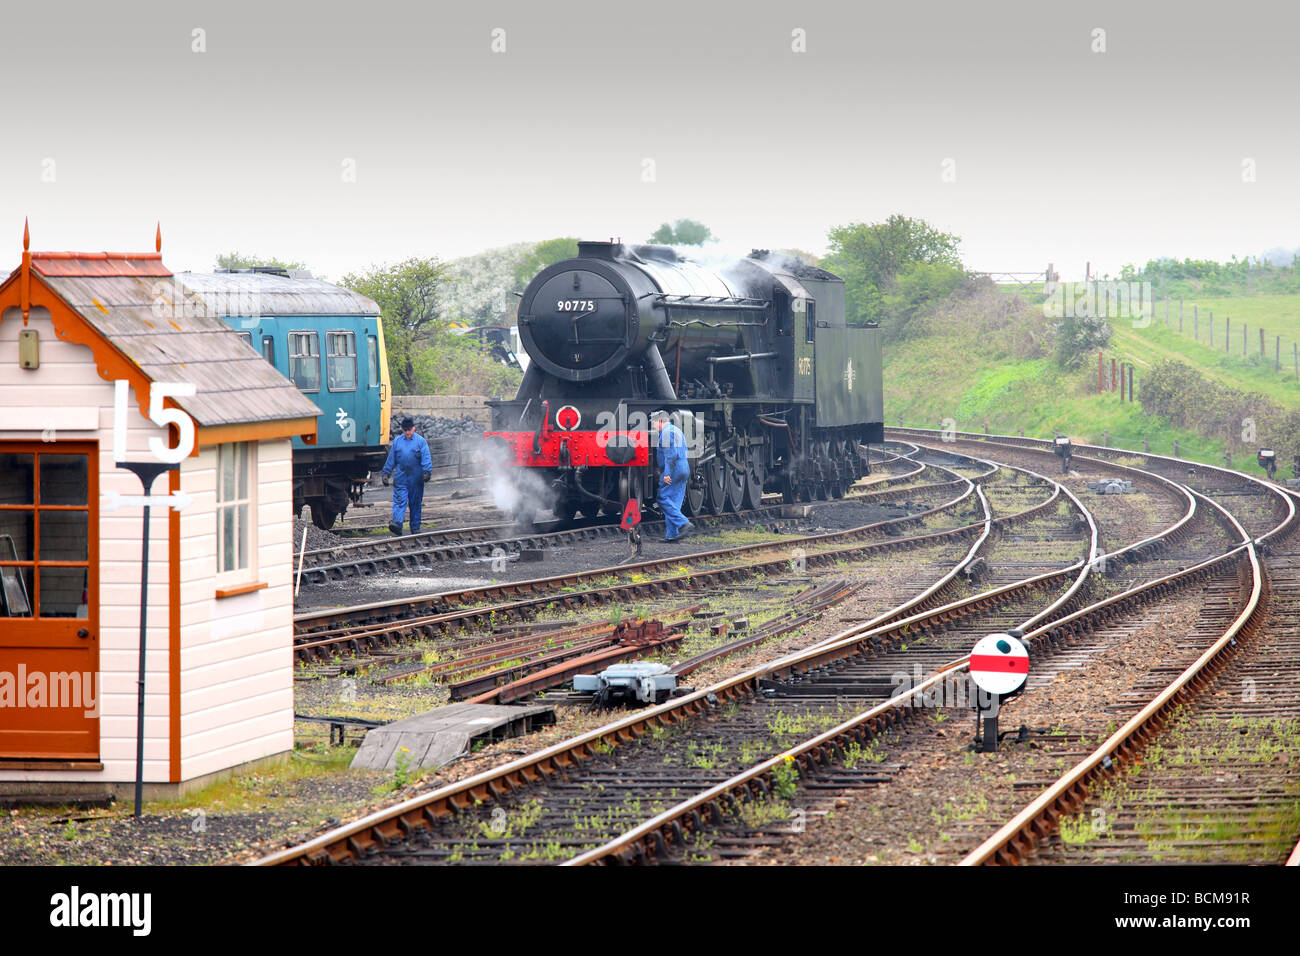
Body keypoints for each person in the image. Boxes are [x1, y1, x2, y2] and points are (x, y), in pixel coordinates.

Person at [382, 417, 433, 534]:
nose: (408, 433)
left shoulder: (421, 442)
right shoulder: (397, 442)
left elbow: (426, 457)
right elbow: (391, 459)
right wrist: (386, 473)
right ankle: (397, 524)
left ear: (414, 428)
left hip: (416, 478)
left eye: (409, 430)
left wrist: (427, 471)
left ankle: (415, 527)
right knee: (399, 501)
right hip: (402, 477)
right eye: (405, 430)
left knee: (415, 502)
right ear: (402, 430)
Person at [653, 410, 694, 542]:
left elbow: (671, 455)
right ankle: (672, 535)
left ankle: (683, 523)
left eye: (653, 422)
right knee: (674, 501)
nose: (652, 425)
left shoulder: (666, 433)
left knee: (662, 498)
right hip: (683, 466)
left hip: (674, 469)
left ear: (660, 421)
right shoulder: (676, 430)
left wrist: (667, 474)